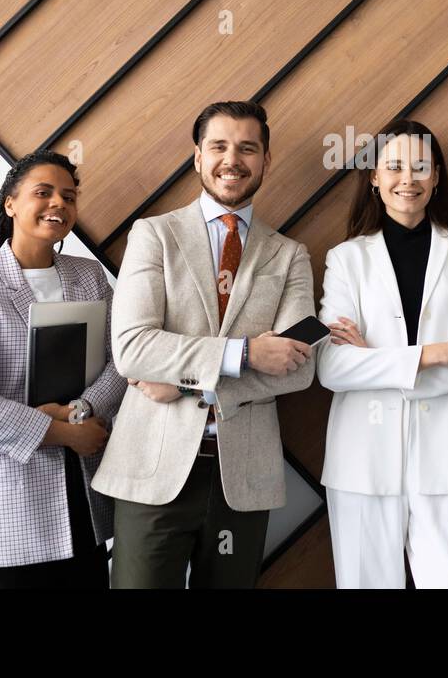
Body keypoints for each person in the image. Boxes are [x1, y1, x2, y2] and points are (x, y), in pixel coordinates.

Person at [91, 100, 316, 588]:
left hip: (241, 477)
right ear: (197, 156)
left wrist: (187, 384)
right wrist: (246, 353)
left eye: (247, 148)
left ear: (265, 160)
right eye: (218, 146)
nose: (231, 159)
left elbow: (298, 367)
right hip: (153, 470)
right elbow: (132, 346)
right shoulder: (154, 235)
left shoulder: (291, 254)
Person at [317, 119, 448, 588]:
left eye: (421, 167)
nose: (409, 179)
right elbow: (334, 367)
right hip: (361, 462)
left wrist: (376, 362)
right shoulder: (346, 259)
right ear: (374, 177)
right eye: (395, 167)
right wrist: (442, 353)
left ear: (437, 176)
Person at [0, 149, 126, 588]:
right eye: (43, 193)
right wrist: (66, 433)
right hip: (12, 492)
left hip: (83, 486)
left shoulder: (89, 276)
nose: (59, 205)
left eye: (68, 196)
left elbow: (121, 363)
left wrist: (80, 410)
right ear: (10, 203)